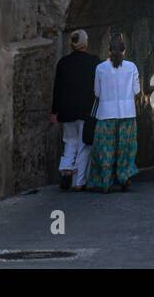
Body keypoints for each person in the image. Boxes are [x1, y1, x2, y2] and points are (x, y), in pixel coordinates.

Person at [87, 34, 141, 193]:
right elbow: (136, 90)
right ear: (124, 51)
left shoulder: (100, 68)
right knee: (125, 147)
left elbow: (97, 92)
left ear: (109, 50)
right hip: (127, 113)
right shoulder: (131, 67)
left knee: (105, 147)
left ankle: (105, 180)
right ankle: (124, 176)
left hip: (105, 114)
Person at [50, 29, 99, 191]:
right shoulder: (94, 62)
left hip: (67, 110)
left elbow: (57, 89)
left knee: (69, 141)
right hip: (86, 110)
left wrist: (54, 111)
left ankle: (65, 171)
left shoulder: (63, 63)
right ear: (85, 43)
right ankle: (79, 181)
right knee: (84, 144)